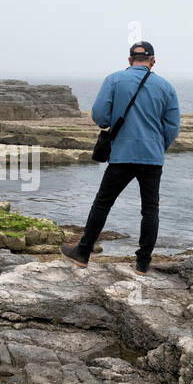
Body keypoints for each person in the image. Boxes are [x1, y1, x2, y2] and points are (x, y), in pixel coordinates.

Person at [62, 41, 180, 275]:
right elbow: (172, 126)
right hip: (152, 157)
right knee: (150, 209)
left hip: (122, 154)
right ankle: (143, 263)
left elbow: (99, 115)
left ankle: (83, 253)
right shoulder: (165, 86)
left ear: (129, 61)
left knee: (103, 203)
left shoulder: (114, 80)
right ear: (152, 61)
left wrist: (110, 123)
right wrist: (158, 145)